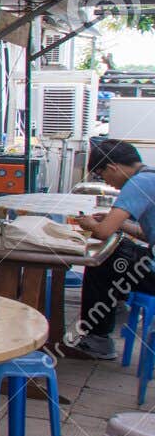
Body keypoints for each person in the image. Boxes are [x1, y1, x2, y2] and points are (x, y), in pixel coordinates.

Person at [70, 138, 155, 359]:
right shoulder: (150, 176)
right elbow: (147, 234)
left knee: (101, 262)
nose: (108, 183)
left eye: (103, 176)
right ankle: (114, 306)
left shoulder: (138, 183)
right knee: (120, 248)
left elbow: (102, 233)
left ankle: (98, 339)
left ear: (112, 167)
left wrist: (92, 224)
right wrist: (121, 223)